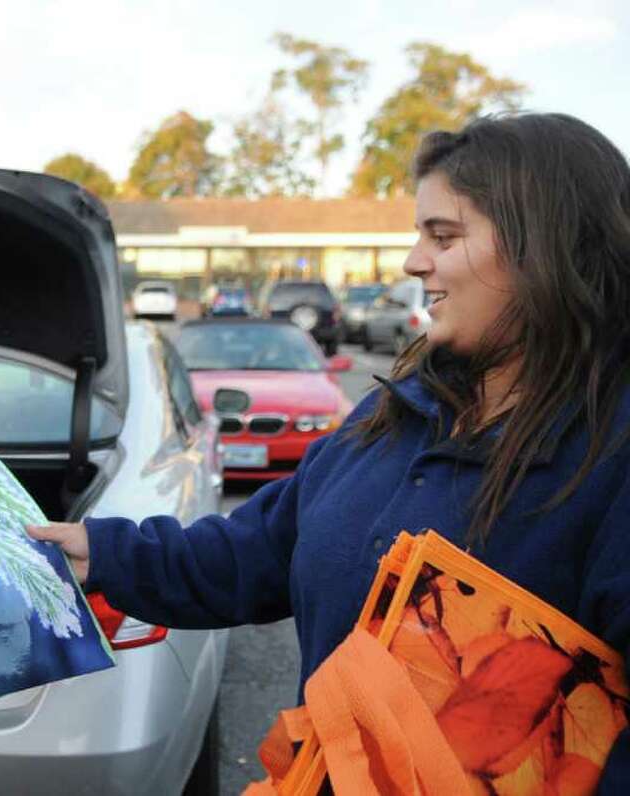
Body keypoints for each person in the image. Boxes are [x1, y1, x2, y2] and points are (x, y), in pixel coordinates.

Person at [31, 112, 630, 793]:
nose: (412, 263)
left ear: (544, 249)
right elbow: (253, 553)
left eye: (444, 235)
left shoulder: (611, 454)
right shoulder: (394, 413)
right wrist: (99, 552)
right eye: (418, 234)